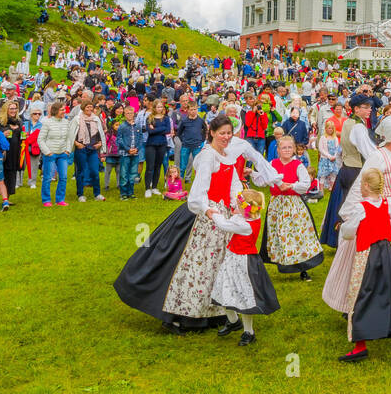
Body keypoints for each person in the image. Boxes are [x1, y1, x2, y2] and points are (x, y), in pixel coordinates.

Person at [113, 114, 280, 333]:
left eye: (229, 133)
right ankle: (181, 315)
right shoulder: (207, 157)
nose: (226, 137)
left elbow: (234, 182)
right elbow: (198, 191)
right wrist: (210, 211)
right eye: (222, 133)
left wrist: (239, 202)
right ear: (211, 132)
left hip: (225, 214)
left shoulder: (229, 153)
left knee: (219, 266)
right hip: (206, 214)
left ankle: (218, 313)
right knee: (195, 265)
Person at [321, 116, 391, 316]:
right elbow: (363, 185)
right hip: (383, 214)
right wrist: (351, 216)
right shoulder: (379, 157)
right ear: (388, 140)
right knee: (382, 264)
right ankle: (371, 308)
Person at [337, 168, 391, 363]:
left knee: (361, 295)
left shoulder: (361, 208)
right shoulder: (388, 204)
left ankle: (360, 346)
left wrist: (346, 225)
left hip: (367, 256)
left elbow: (349, 233)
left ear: (366, 186)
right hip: (388, 255)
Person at [210, 189, 279, 347]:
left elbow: (224, 225)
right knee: (223, 290)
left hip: (244, 263)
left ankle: (249, 332)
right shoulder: (250, 216)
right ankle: (234, 322)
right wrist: (237, 209)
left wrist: (213, 213)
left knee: (244, 297)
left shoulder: (244, 224)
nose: (236, 206)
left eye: (239, 204)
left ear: (247, 208)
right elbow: (237, 213)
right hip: (232, 259)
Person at [259, 135, 323, 281]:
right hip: (277, 205)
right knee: (279, 234)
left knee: (298, 235)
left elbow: (305, 184)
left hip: (294, 206)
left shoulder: (298, 165)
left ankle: (303, 268)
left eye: (289, 147)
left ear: (294, 149)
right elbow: (264, 181)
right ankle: (281, 260)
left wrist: (292, 185)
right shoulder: (272, 164)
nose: (287, 150)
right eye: (284, 148)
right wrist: (254, 173)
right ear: (278, 150)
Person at [320, 94, 376, 248]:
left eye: (370, 107)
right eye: (366, 107)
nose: (369, 110)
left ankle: (338, 238)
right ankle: (350, 240)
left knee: (342, 203)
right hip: (356, 170)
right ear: (356, 109)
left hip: (345, 168)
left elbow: (342, 148)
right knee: (354, 205)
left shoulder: (347, 122)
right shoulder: (357, 126)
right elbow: (367, 151)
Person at [316, 119, 340, 193]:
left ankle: (331, 187)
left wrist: (334, 156)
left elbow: (337, 148)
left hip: (333, 159)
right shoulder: (323, 138)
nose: (330, 130)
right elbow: (321, 149)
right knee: (323, 174)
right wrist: (329, 156)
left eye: (332, 128)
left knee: (333, 174)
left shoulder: (335, 138)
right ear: (326, 128)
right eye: (329, 128)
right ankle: (321, 189)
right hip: (325, 159)